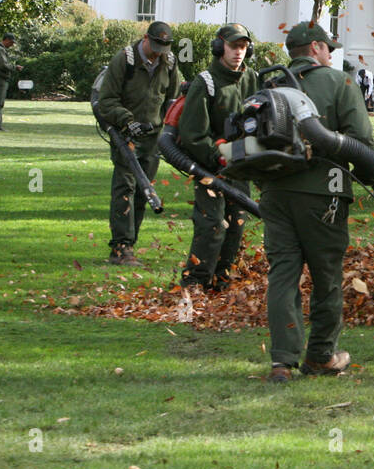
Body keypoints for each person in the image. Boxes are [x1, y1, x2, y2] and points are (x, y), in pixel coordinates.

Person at [261, 21, 374, 383]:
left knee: (283, 275)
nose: (331, 54)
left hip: (274, 193)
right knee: (326, 278)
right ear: (314, 49)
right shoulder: (339, 82)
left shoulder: (269, 85)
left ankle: (282, 361)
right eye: (328, 48)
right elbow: (360, 141)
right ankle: (321, 356)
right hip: (324, 194)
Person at [176, 23, 260, 292]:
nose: (239, 52)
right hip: (210, 169)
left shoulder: (251, 80)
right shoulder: (206, 82)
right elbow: (193, 134)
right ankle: (194, 283)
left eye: (243, 47)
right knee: (212, 225)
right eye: (234, 46)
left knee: (235, 226)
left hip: (241, 167)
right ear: (219, 47)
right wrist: (217, 156)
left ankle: (220, 284)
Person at [96, 21, 181, 266]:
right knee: (125, 188)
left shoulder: (170, 62)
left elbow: (172, 101)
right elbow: (107, 100)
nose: (158, 52)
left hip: (153, 136)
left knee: (145, 191)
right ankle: (120, 247)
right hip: (126, 135)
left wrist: (172, 131)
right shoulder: (124, 60)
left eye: (163, 47)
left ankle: (130, 244)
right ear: (146, 38)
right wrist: (127, 121)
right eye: (155, 46)